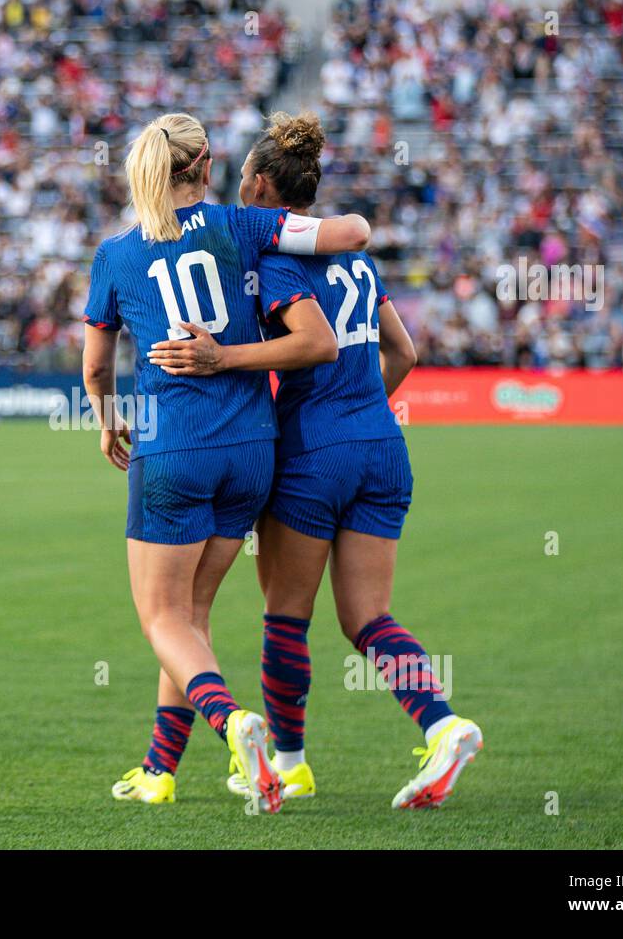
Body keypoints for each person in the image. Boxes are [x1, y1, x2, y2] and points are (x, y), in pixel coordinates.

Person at [153, 112, 483, 810]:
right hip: (383, 446)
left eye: (243, 176)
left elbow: (316, 341)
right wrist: (362, 411)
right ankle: (443, 723)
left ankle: (292, 763)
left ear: (264, 184)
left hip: (312, 453)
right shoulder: (357, 259)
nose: (238, 185)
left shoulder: (275, 260)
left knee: (285, 618)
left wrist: (225, 358)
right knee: (369, 617)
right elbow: (407, 354)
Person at [84, 111, 365, 811]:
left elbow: (95, 367)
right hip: (251, 453)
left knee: (161, 620)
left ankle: (233, 720)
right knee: (192, 617)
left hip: (176, 448)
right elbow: (349, 234)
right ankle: (157, 771)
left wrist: (107, 418)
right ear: (207, 165)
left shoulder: (117, 255)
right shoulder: (246, 227)